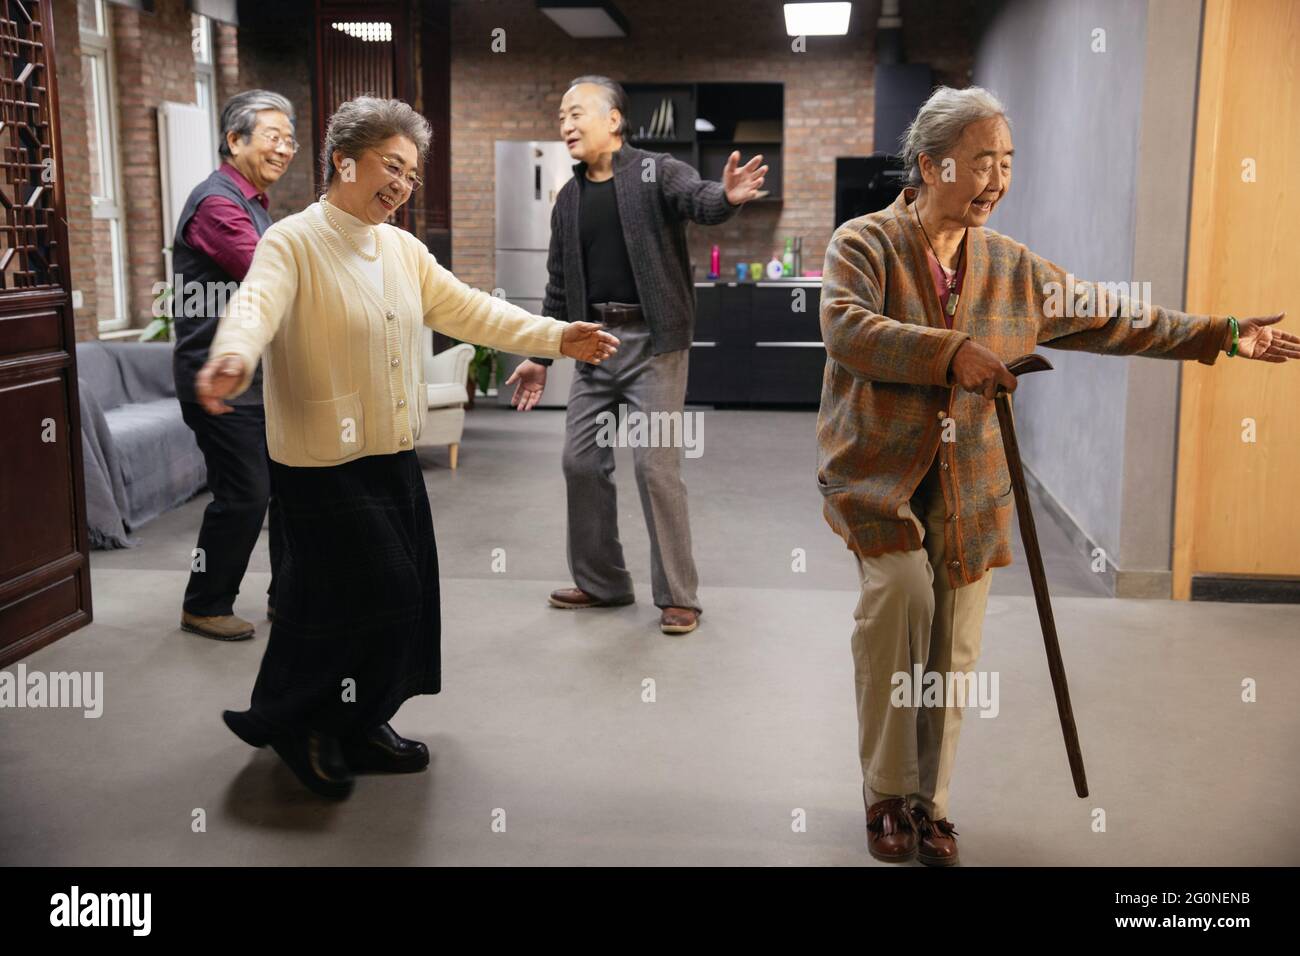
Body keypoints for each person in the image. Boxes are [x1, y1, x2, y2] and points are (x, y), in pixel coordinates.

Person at [818, 85, 1296, 866]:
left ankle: (930, 806)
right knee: (898, 600)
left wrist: (1223, 332)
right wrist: (951, 353)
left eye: (1006, 163)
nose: (997, 179)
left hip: (971, 481)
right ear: (932, 164)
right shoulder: (864, 244)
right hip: (878, 474)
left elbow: (1115, 316)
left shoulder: (1010, 267)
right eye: (981, 163)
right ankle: (885, 794)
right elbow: (848, 329)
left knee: (954, 647)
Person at [195, 97, 619, 799]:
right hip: (321, 464)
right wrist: (234, 357)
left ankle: (359, 719)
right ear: (345, 160)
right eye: (392, 166)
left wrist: (554, 337)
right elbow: (254, 308)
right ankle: (302, 726)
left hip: (389, 455)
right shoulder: (293, 241)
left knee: (404, 596)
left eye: (412, 174)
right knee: (348, 598)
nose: (402, 184)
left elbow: (471, 308)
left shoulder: (399, 249)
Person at [505, 75, 767, 635]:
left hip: (654, 344)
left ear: (615, 120)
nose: (566, 124)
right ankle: (603, 582)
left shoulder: (656, 171)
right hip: (594, 344)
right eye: (560, 117)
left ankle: (679, 596)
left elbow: (699, 199)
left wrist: (727, 198)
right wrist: (540, 357)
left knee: (655, 466)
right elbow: (557, 286)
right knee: (580, 461)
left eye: (577, 113)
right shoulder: (568, 198)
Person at [174, 90, 296, 641]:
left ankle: (287, 599)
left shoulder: (252, 203)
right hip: (218, 377)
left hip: (258, 379)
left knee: (289, 487)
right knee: (244, 493)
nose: (285, 147)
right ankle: (204, 602)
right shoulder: (218, 203)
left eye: (290, 139)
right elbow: (265, 275)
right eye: (273, 135)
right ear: (235, 140)